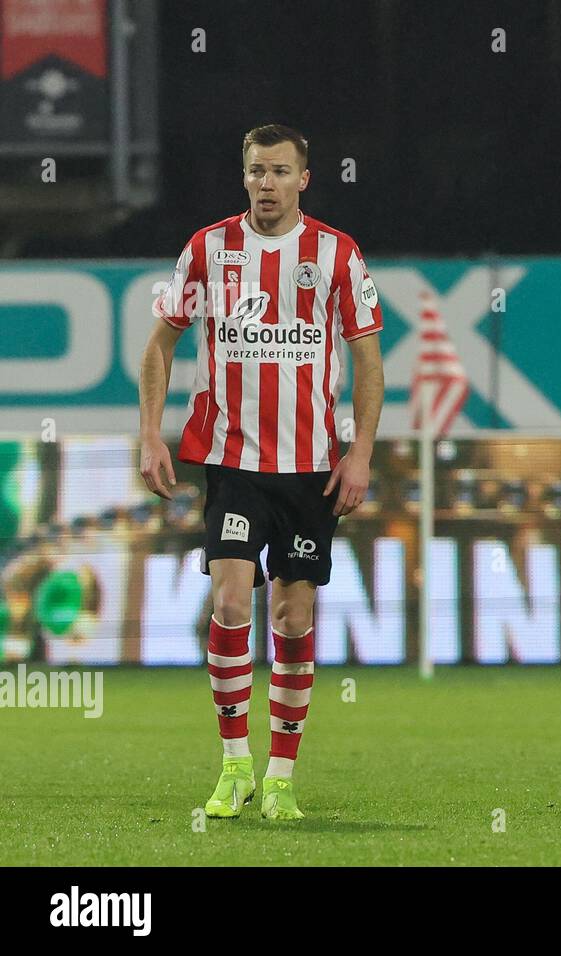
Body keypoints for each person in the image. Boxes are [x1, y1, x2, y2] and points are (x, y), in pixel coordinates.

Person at [138, 123, 385, 821]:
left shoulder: (336, 255)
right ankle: (234, 764)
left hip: (310, 468)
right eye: (255, 171)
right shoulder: (209, 249)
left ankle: (281, 772)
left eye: (279, 171)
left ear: (304, 178)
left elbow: (368, 361)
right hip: (234, 462)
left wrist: (360, 451)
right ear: (243, 176)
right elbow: (158, 348)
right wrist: (150, 433)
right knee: (231, 602)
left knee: (293, 612)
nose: (266, 184)